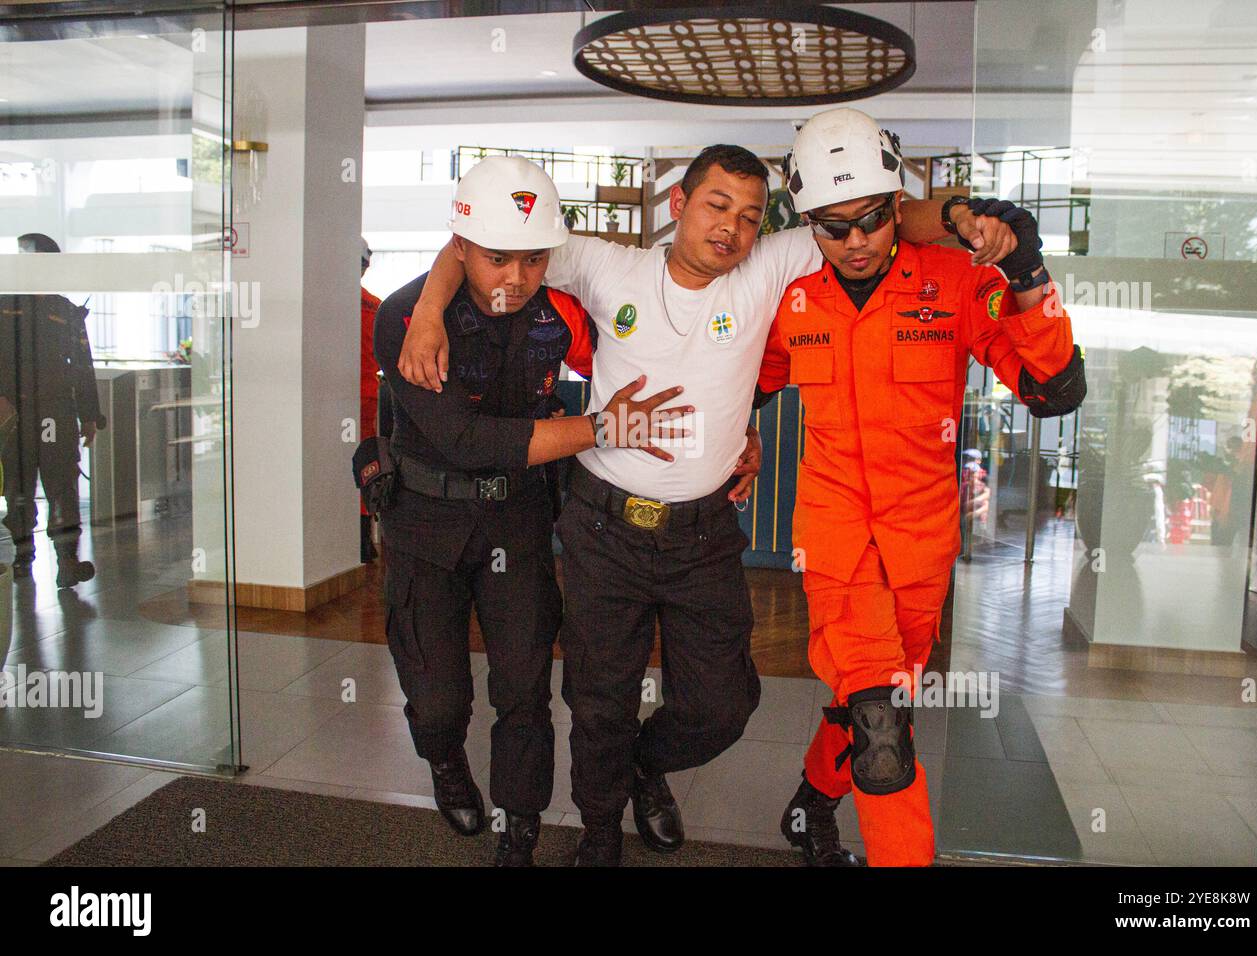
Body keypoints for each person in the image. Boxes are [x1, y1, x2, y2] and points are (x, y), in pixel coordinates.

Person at [397, 139, 1018, 865]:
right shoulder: (608, 266)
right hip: (604, 527)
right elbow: (483, 241)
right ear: (679, 205)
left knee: (722, 706)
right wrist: (428, 313)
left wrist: (970, 218)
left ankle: (645, 768)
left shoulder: (775, 263)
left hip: (704, 535)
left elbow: (885, 214)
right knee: (600, 704)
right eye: (717, 206)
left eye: (751, 216)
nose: (732, 227)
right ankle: (600, 837)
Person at [755, 108, 1086, 867]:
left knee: (875, 705)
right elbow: (744, 387)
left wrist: (1028, 271)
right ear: (808, 222)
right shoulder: (793, 299)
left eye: (872, 219)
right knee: (880, 731)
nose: (857, 241)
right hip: (835, 545)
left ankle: (810, 800)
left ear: (896, 206)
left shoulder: (955, 284)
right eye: (833, 227)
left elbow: (1053, 389)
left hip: (919, 550)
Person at [369, 156, 700, 866]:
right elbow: (467, 440)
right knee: (439, 702)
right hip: (425, 526)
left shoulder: (559, 307)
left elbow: (662, 349)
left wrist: (740, 429)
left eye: (532, 258)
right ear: (460, 250)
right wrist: (601, 426)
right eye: (495, 260)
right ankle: (445, 759)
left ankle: (519, 828)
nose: (515, 278)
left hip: (517, 526)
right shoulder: (407, 318)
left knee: (524, 691)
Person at [1, 232, 104, 589]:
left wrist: (91, 416)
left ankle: (67, 561)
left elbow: (82, 366)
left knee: (62, 486)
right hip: (16, 414)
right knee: (19, 486)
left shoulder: (64, 311)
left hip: (56, 413)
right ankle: (22, 556)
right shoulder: (4, 306)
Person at [359, 237, 382, 563]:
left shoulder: (323, 305)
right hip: (368, 398)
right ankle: (363, 543)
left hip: (328, 402)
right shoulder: (376, 306)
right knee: (365, 466)